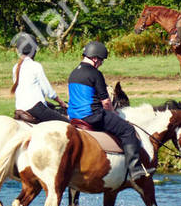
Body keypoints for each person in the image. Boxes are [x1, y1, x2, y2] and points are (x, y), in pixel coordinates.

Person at [66, 40, 148, 181]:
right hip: (92, 116)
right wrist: (114, 114)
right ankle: (135, 169)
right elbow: (106, 102)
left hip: (73, 116)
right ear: (95, 58)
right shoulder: (95, 73)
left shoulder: (73, 73)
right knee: (127, 129)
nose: (101, 63)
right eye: (102, 61)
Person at [10, 33, 69, 123]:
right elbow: (48, 91)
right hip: (36, 109)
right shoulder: (35, 66)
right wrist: (61, 102)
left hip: (20, 108)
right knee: (67, 124)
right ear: (33, 50)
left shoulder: (15, 67)